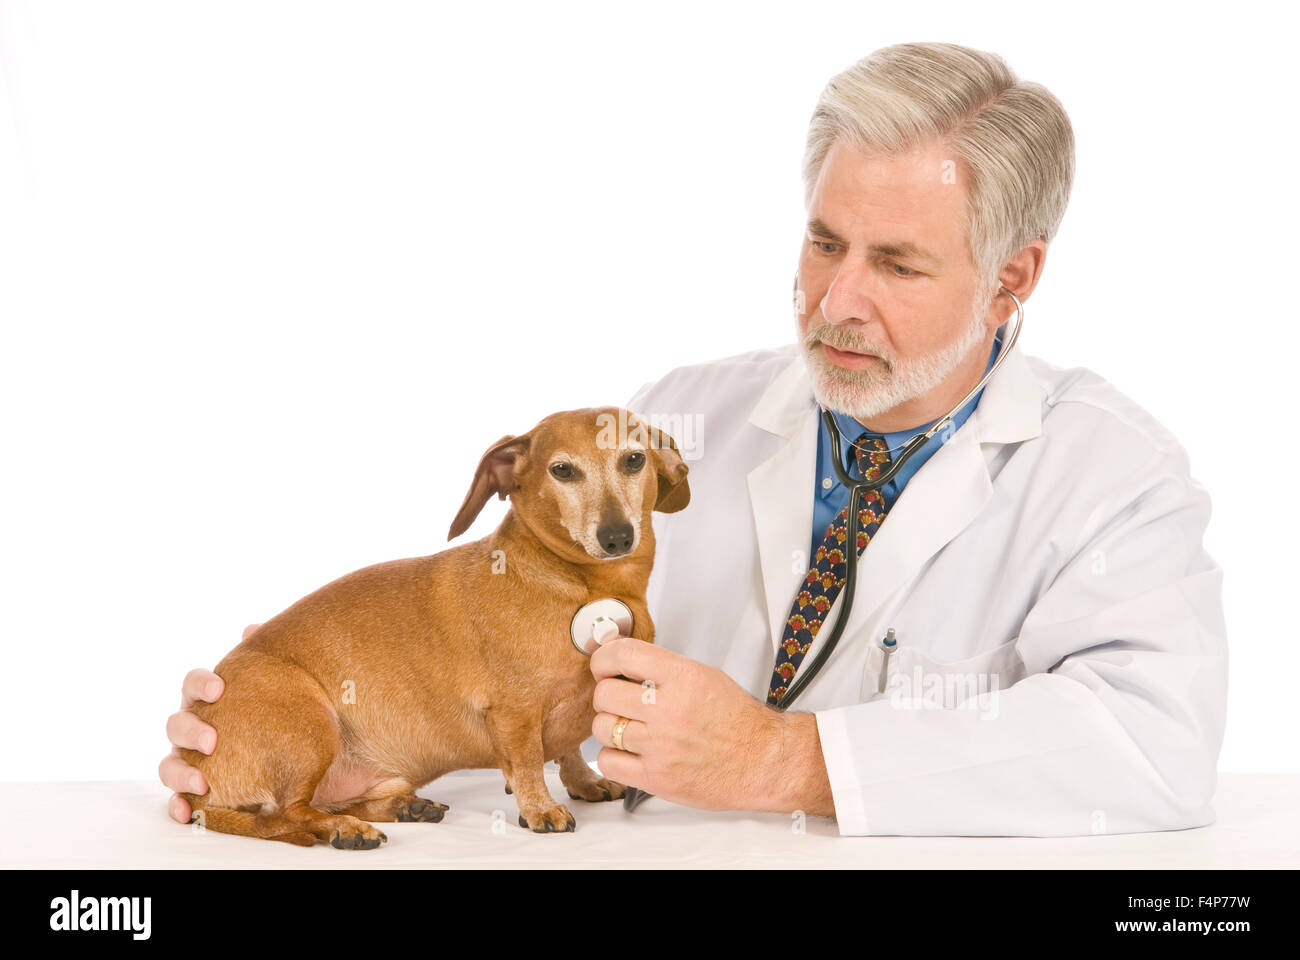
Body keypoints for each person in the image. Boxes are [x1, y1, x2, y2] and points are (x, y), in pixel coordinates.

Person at [160, 42, 1227, 837]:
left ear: (1011, 278)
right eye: (822, 241)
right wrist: (328, 711)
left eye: (896, 265)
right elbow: (515, 655)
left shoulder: (1111, 478)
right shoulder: (675, 417)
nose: (833, 301)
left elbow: (1155, 747)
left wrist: (790, 763)